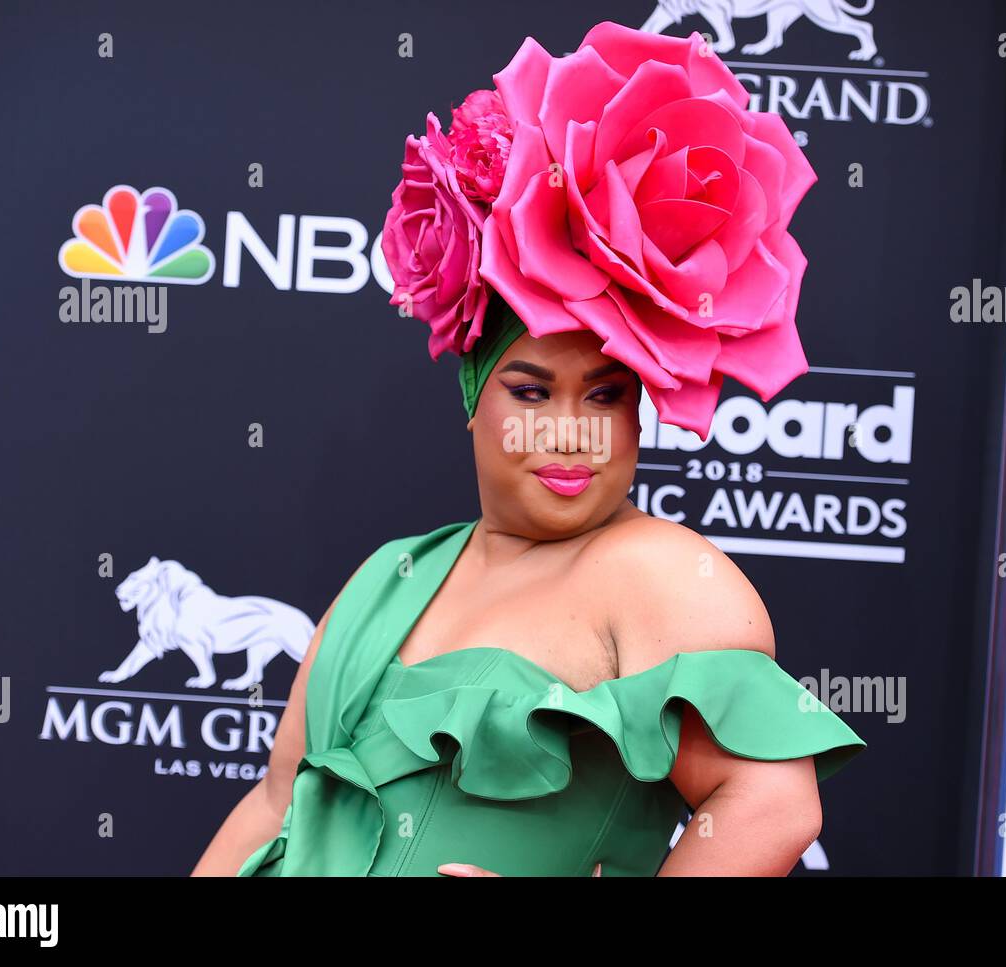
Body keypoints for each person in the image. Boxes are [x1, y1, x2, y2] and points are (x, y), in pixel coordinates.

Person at [193, 20, 865, 877]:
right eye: (532, 390)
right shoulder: (387, 576)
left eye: (606, 395)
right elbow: (275, 804)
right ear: (474, 398)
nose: (570, 430)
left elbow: (773, 804)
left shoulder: (661, 574)